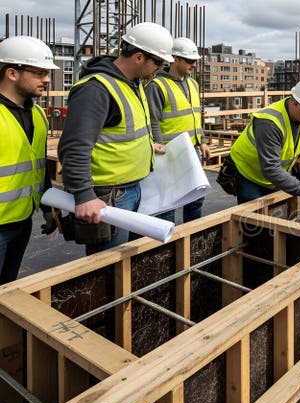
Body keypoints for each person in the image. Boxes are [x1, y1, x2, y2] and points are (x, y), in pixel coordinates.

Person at [58, 22, 174, 255]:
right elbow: (74, 148)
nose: (160, 69)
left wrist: (147, 146)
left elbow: (120, 131)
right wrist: (84, 196)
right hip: (109, 197)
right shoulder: (96, 89)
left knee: (132, 260)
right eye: (159, 62)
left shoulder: (134, 84)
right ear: (139, 57)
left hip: (133, 188)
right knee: (110, 269)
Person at [229, 78, 300, 207]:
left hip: (273, 177)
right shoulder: (270, 123)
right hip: (249, 175)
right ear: (295, 103)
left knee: (275, 216)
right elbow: (271, 168)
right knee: (253, 221)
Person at [0, 36, 59, 283]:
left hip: (22, 221)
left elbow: (38, 165)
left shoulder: (36, 114)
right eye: (39, 73)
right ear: (12, 73)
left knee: (8, 293)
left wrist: (46, 207)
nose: (46, 79)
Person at [147, 37, 208, 224]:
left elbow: (196, 116)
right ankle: (170, 246)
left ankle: (193, 239)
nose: (194, 64)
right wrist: (159, 147)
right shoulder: (157, 86)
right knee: (168, 204)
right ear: (175, 59)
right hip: (169, 153)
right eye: (190, 61)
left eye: (195, 60)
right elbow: (153, 121)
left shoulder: (193, 84)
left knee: (196, 200)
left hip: (193, 151)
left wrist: (203, 141)